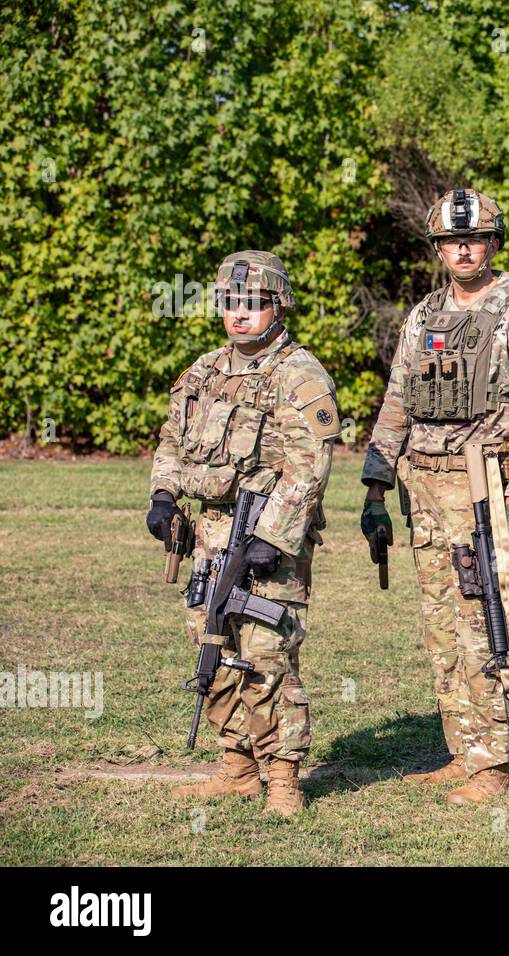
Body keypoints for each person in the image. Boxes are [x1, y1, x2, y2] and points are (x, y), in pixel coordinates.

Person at [361, 188, 509, 805]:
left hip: (481, 486)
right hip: (421, 488)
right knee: (441, 626)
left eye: (473, 239)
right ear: (439, 249)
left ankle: (493, 763)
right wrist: (376, 483)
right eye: (451, 242)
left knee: (483, 621)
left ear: (493, 244)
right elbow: (397, 400)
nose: (462, 250)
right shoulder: (422, 318)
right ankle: (462, 748)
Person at [149, 251, 340, 817]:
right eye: (230, 304)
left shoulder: (299, 374)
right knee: (211, 642)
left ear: (277, 306)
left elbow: (310, 468)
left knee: (266, 655)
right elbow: (170, 438)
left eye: (252, 304)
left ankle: (283, 777)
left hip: (267, 538)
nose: (239, 315)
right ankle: (236, 768)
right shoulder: (204, 371)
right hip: (209, 536)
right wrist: (163, 494)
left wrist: (274, 537)